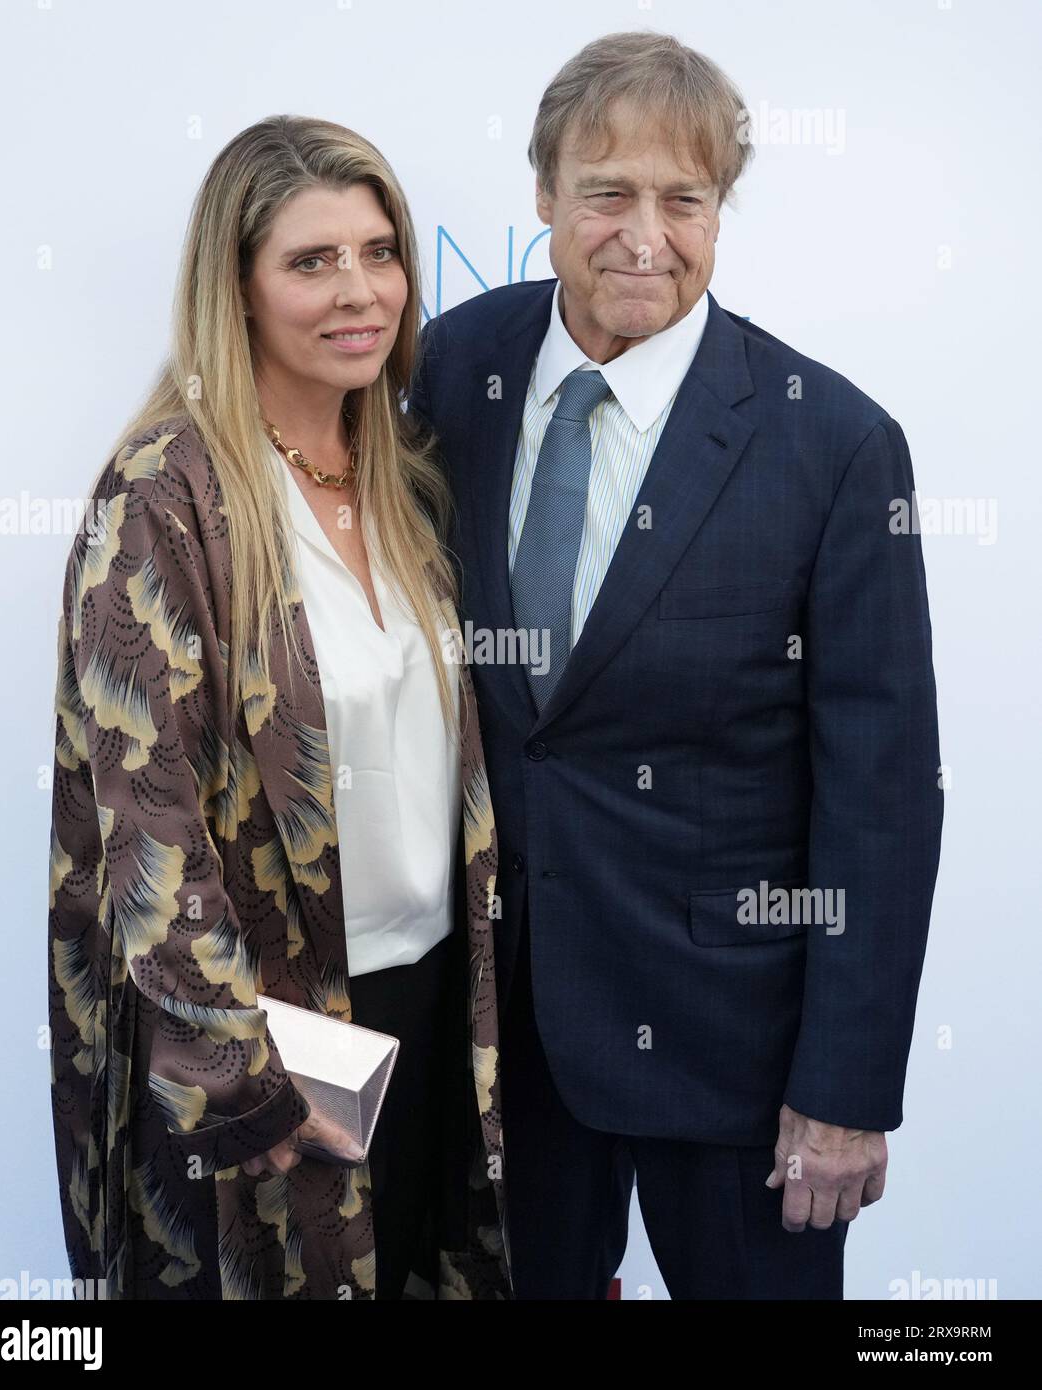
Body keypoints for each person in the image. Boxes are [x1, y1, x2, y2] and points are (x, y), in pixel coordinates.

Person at [408, 31, 943, 1299]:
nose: (641, 234)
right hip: (499, 1050)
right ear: (543, 197)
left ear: (718, 213)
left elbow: (881, 796)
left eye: (681, 199)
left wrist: (844, 1090)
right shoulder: (444, 372)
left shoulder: (834, 447)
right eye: (605, 193)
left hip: (741, 1073)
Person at [48, 115, 509, 1301]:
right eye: (311, 261)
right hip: (272, 1038)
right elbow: (148, 837)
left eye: (378, 251)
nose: (361, 291)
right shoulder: (162, 497)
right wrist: (250, 1077)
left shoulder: (403, 475)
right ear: (238, 287)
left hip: (430, 1011)